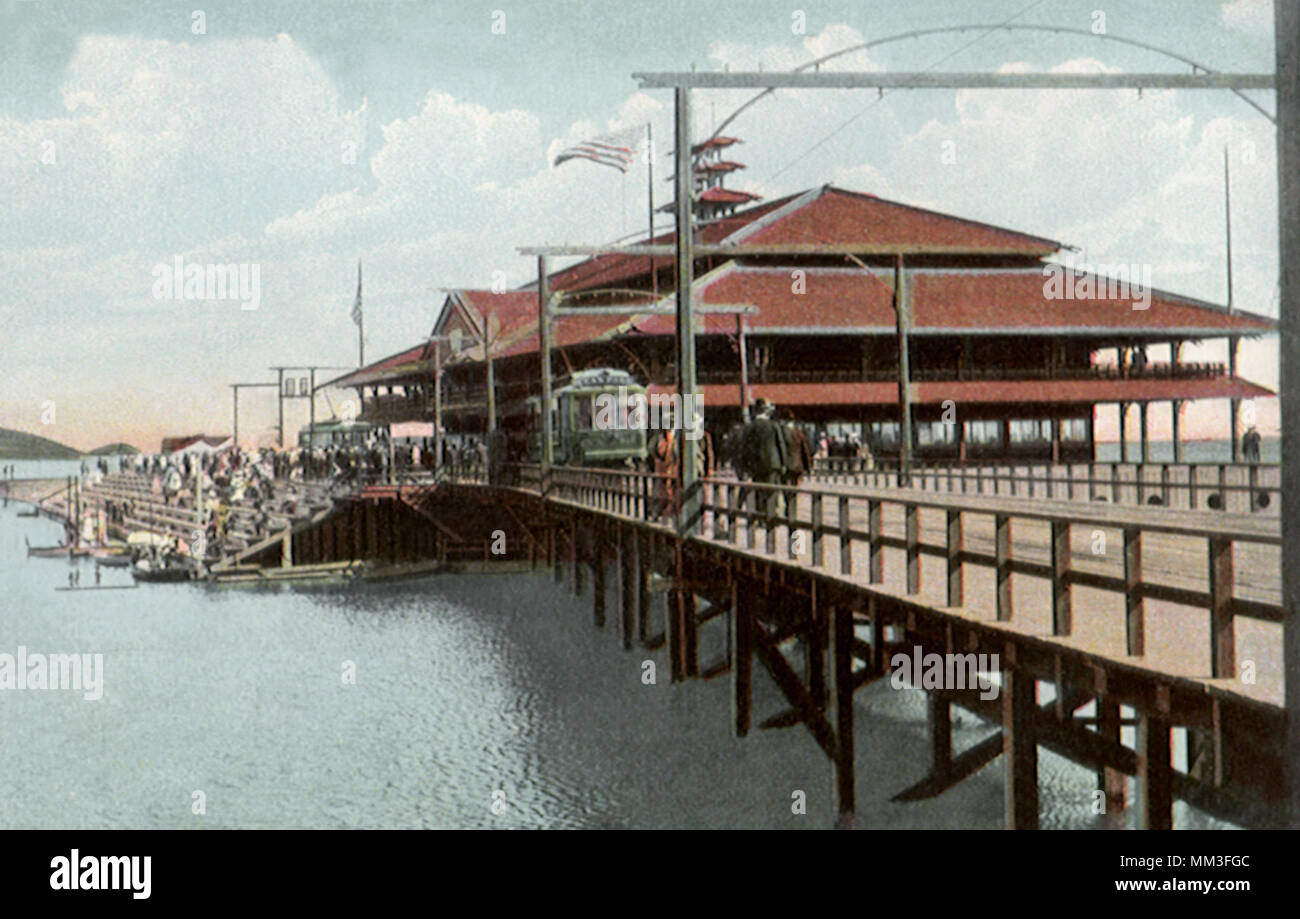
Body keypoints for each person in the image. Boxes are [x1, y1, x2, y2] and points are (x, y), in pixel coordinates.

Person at [739, 399, 788, 519]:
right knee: (771, 492)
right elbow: (780, 445)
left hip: (757, 464)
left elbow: (745, 448)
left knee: (759, 491)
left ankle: (760, 515)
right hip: (773, 464)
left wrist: (745, 466)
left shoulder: (750, 427)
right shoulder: (774, 426)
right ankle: (770, 516)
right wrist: (784, 464)